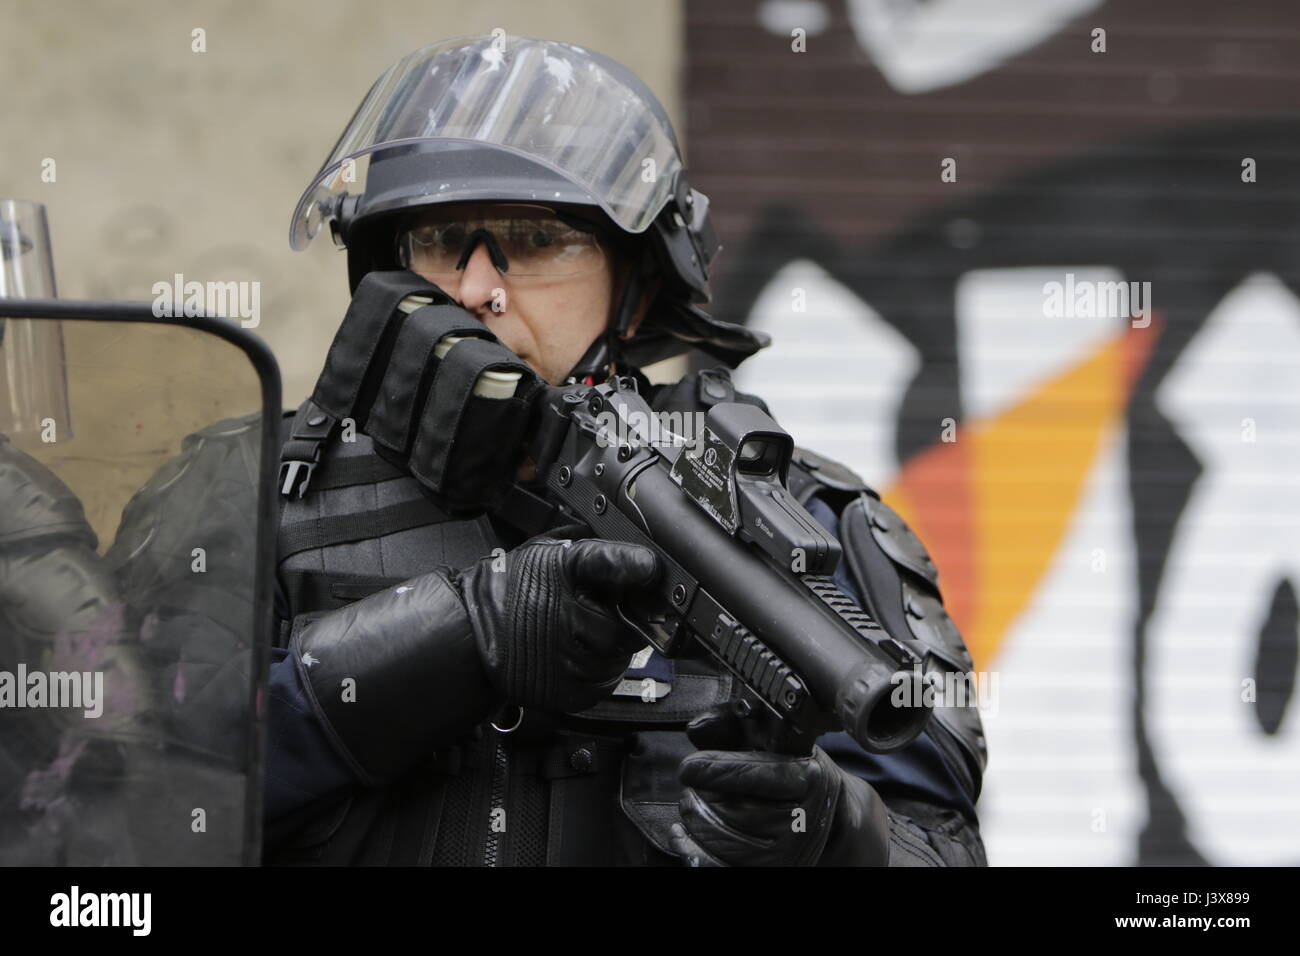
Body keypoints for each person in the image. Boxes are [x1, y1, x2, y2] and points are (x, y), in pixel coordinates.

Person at [264, 33, 987, 866]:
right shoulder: (261, 492)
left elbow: (942, 847)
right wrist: (456, 640)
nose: (474, 289)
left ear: (635, 288)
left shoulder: (815, 518)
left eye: (536, 241)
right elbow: (121, 794)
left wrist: (835, 833)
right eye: (439, 243)